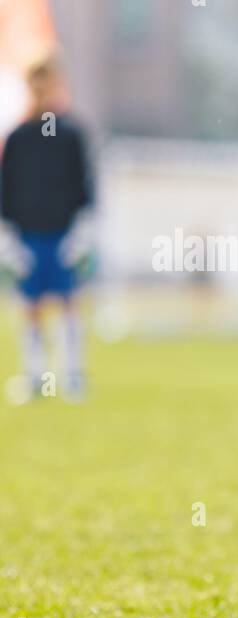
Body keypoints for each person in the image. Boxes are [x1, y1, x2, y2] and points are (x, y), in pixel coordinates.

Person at [0, 53, 94, 403]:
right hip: (28, 234)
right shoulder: (18, 137)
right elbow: (6, 189)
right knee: (31, 305)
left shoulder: (70, 134)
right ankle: (36, 377)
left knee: (69, 302)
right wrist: (8, 237)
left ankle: (71, 375)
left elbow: (85, 186)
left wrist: (82, 231)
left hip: (64, 233)